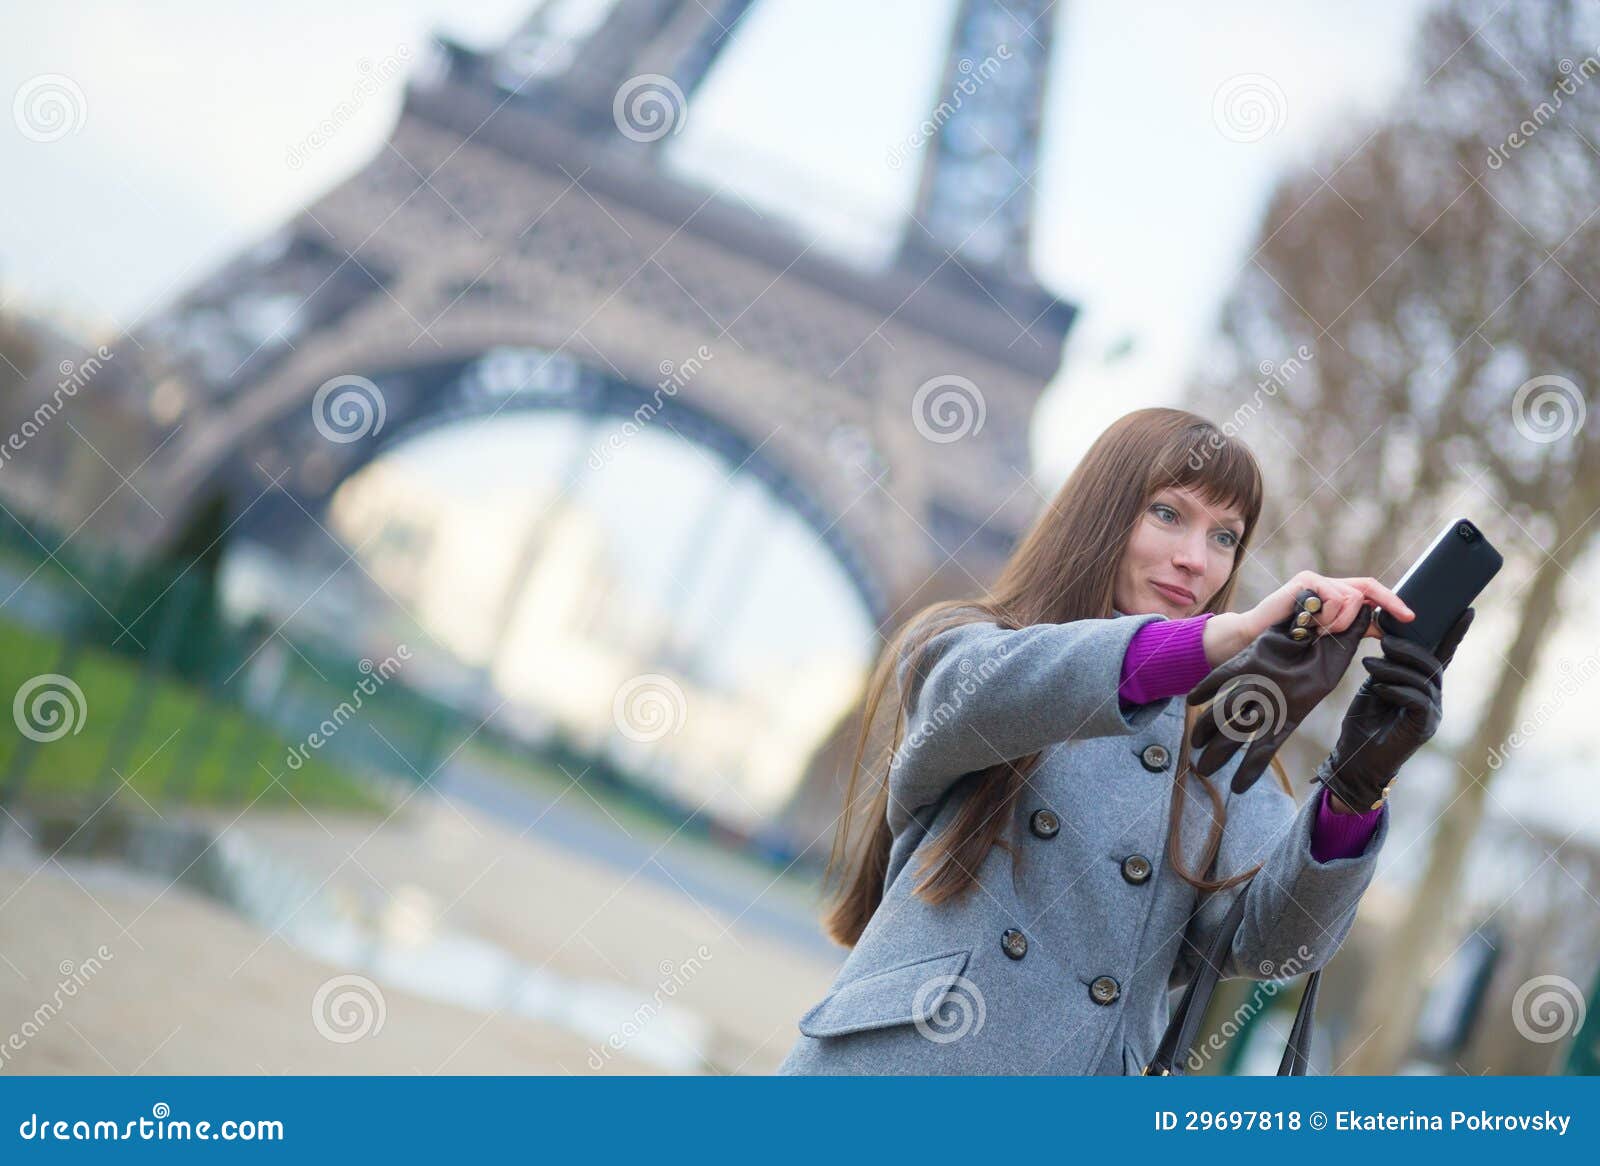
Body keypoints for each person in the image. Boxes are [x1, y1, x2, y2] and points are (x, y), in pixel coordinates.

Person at [777, 407, 1473, 1075]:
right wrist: (1229, 636)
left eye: (1224, 536)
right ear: (1102, 515)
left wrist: (1354, 788)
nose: (1194, 559)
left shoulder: (1223, 747)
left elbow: (1275, 946)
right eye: (1168, 514)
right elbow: (1014, 690)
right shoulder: (962, 648)